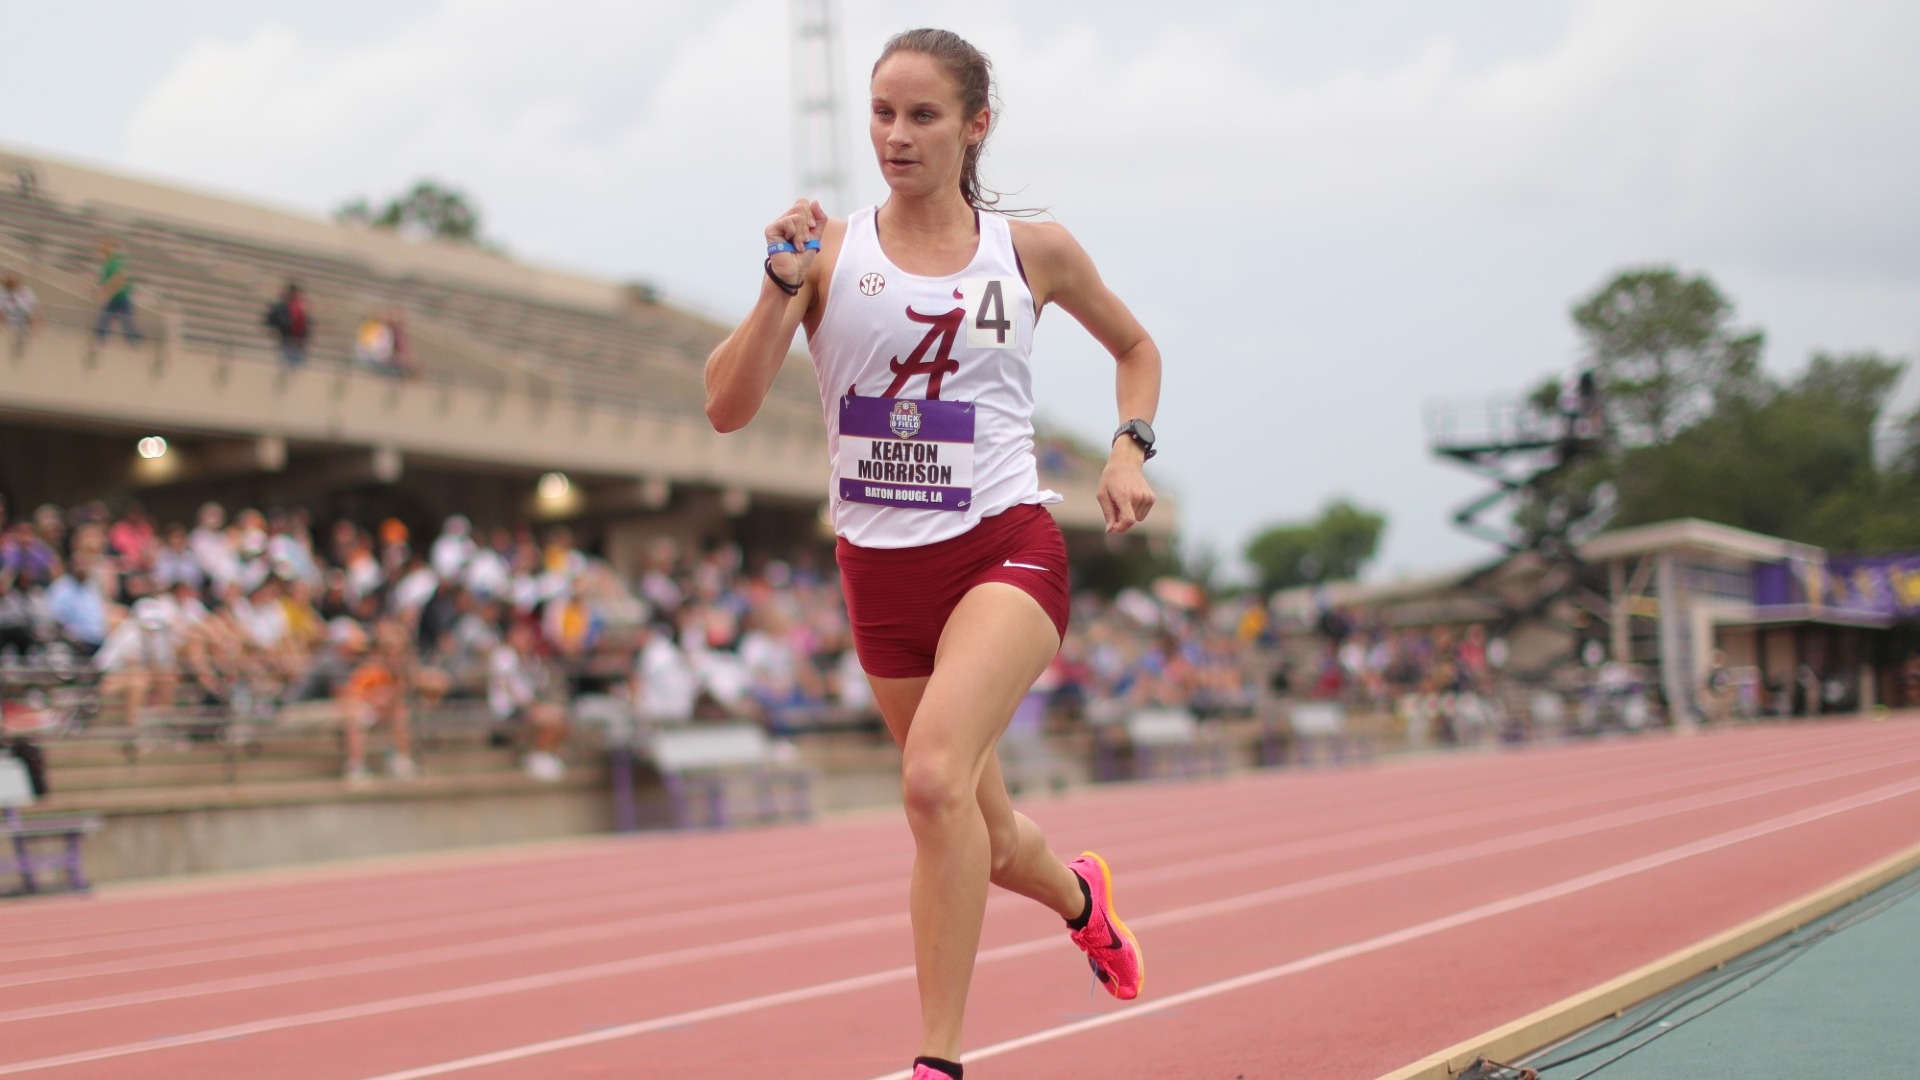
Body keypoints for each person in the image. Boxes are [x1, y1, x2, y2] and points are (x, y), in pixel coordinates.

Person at [703, 28, 1160, 1079]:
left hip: (1005, 547)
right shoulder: (824, 254)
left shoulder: (1033, 251)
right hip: (881, 575)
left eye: (922, 115)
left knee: (930, 781)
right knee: (983, 840)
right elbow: (726, 408)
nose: (896, 136)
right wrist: (776, 289)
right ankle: (1083, 900)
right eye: (882, 114)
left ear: (975, 126)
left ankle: (937, 1063)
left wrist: (1129, 447)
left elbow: (1137, 348)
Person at [92, 238, 141, 348]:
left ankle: (136, 340)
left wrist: (107, 291)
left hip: (122, 298)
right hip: (115, 298)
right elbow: (104, 281)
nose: (97, 255)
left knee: (126, 321)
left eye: (100, 252)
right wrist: (97, 288)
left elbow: (119, 278)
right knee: (104, 318)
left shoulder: (113, 263)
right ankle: (100, 338)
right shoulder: (106, 265)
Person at [264, 282, 313, 366]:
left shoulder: (298, 307)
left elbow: (304, 324)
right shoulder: (283, 306)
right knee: (287, 363)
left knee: (291, 364)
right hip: (287, 338)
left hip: (294, 339)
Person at [1, 273, 38, 358]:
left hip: (22, 323)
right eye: (8, 283)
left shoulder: (25, 292)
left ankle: (18, 351)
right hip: (9, 323)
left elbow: (33, 311)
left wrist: (35, 327)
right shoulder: (2, 293)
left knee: (21, 339)